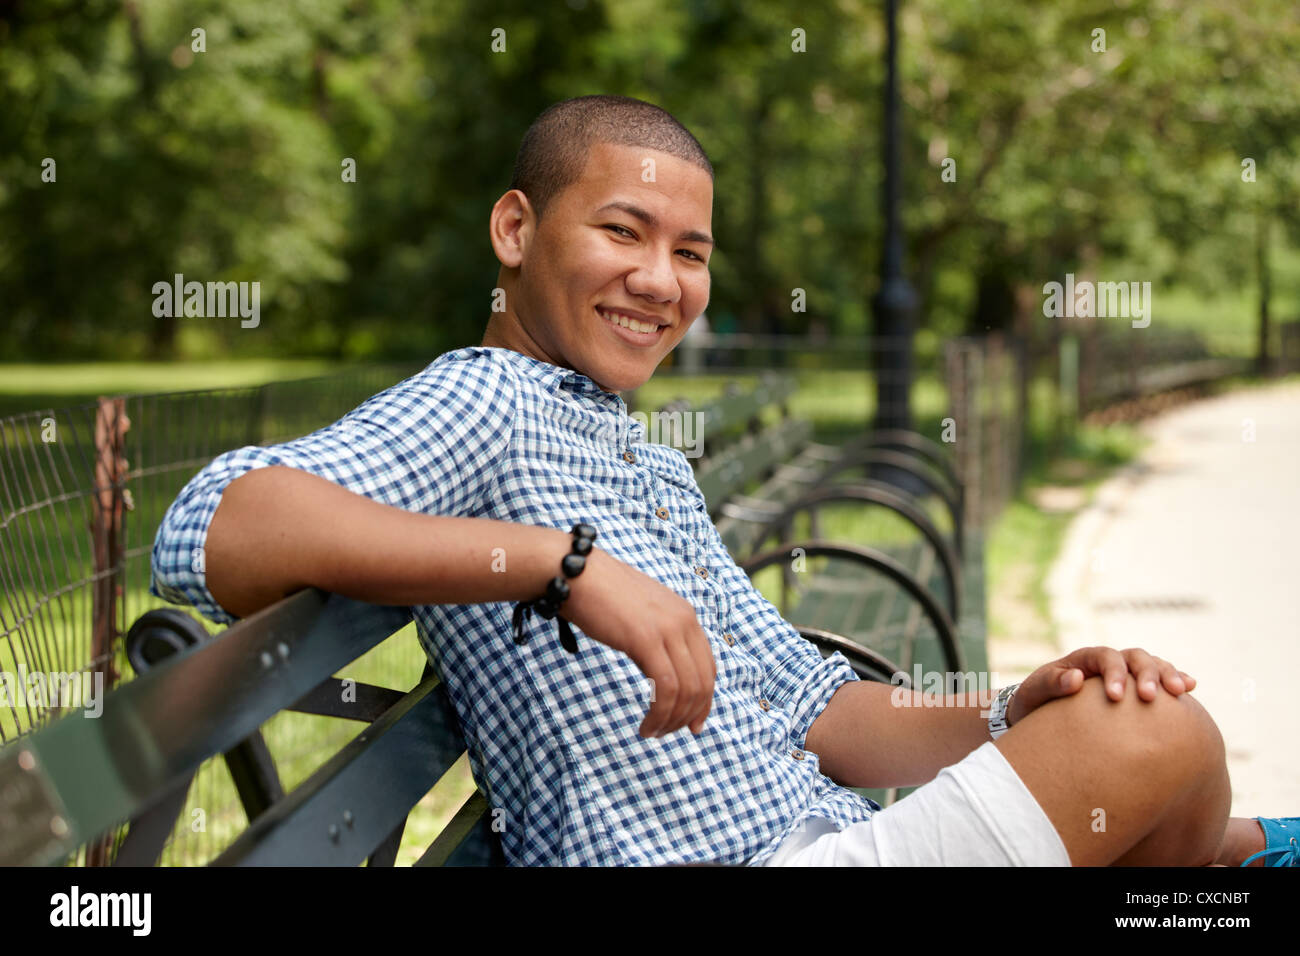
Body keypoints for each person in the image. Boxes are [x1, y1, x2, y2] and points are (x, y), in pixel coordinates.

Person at [150, 94, 1296, 867]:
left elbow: (823, 708)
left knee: (1131, 714)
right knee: (1153, 741)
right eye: (622, 231)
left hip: (819, 835)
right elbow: (213, 522)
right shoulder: (486, 399)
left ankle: (1230, 857)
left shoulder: (643, 460)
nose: (659, 279)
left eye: (689, 252)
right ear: (515, 227)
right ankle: (1242, 855)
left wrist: (1010, 702)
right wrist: (559, 566)